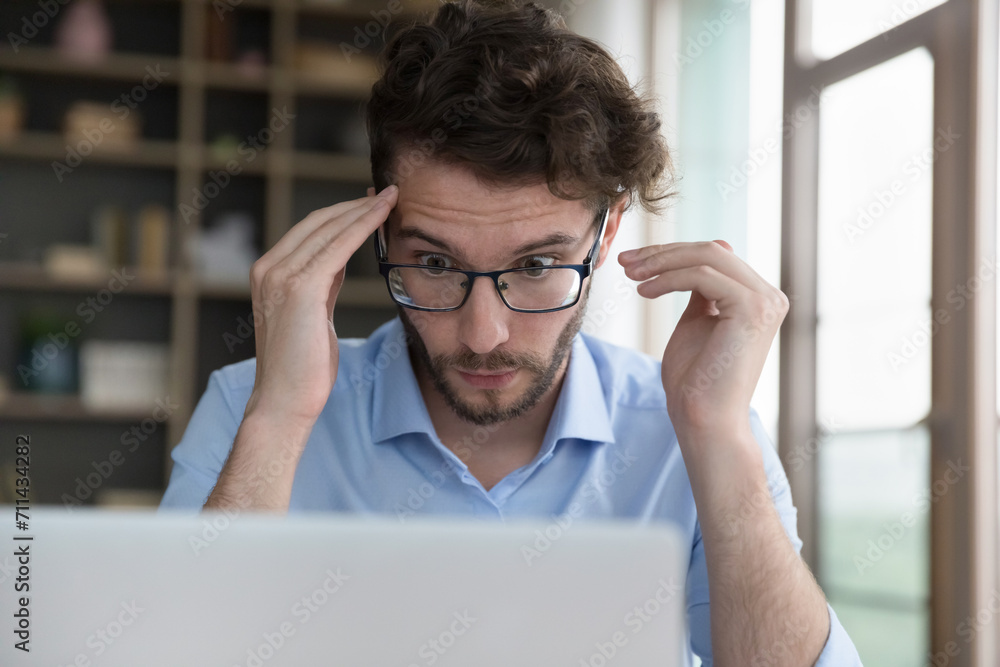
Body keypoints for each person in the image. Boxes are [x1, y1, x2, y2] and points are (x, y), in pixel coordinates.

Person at [160, 1, 862, 663]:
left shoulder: (701, 428)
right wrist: (280, 418)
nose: (485, 332)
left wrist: (718, 435)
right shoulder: (251, 405)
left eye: (537, 265)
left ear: (609, 229)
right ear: (376, 230)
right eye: (435, 263)